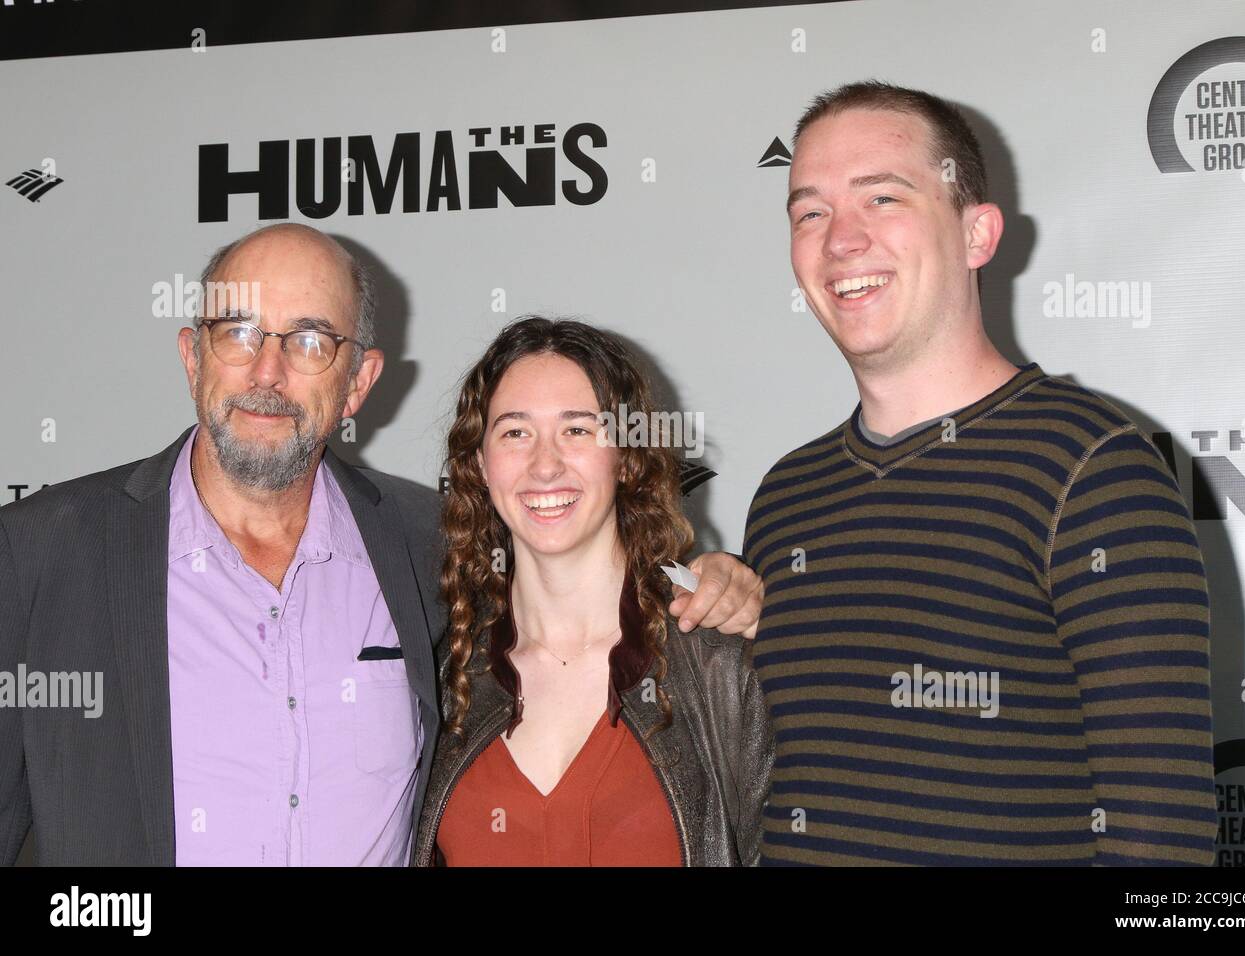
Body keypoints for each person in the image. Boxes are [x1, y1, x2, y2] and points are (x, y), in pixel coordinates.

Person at [0, 224, 762, 866]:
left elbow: (582, 551)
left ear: (358, 381)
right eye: (237, 333)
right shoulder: (42, 555)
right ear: (193, 356)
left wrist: (706, 575)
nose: (267, 372)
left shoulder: (421, 545)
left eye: (308, 341)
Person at [743, 81, 1216, 865]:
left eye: (883, 198)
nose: (840, 240)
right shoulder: (788, 496)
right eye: (809, 213)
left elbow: (1162, 847)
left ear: (977, 234)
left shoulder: (1093, 471)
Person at [412, 318, 774, 866]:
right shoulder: (445, 678)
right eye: (515, 431)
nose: (545, 463)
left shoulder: (718, 657)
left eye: (577, 430)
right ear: (481, 465)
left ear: (626, 458)